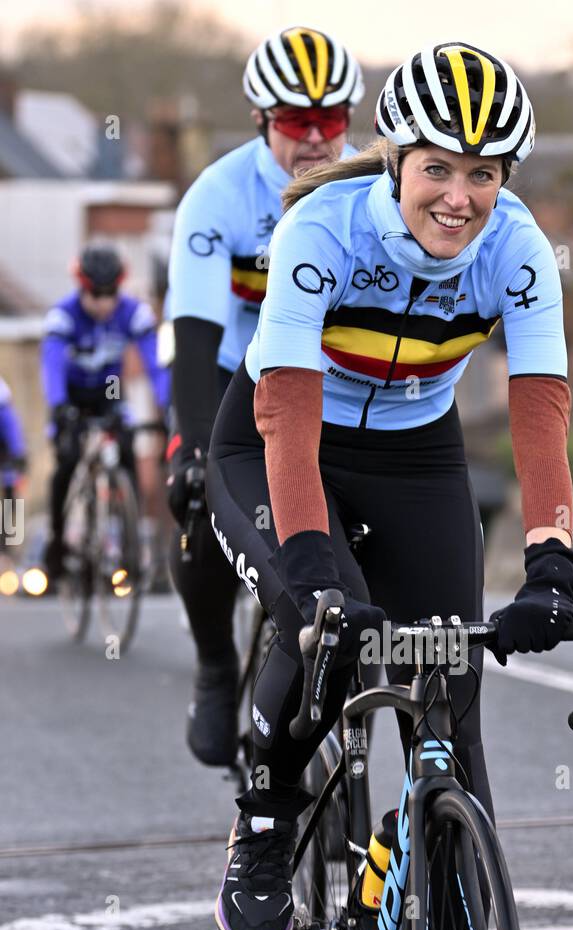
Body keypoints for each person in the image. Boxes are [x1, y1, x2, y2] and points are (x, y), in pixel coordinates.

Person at [206, 41, 573, 930]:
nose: (459, 196)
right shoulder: (323, 228)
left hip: (418, 454)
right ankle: (265, 817)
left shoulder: (518, 248)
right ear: (395, 157)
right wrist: (307, 563)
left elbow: (540, 413)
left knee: (453, 695)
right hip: (277, 444)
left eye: (483, 174)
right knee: (317, 620)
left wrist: (553, 563)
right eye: (438, 169)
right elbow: (285, 406)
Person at [166, 26, 364, 768]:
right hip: (229, 372)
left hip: (326, 376)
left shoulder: (372, 191)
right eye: (294, 122)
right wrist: (189, 445)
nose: (314, 138)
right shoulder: (216, 197)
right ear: (260, 122)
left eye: (330, 121)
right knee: (200, 507)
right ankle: (218, 666)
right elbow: (190, 330)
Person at [41, 244, 170, 581]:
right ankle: (57, 541)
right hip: (70, 396)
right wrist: (58, 407)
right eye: (94, 293)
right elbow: (52, 365)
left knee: (127, 450)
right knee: (67, 461)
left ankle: (130, 536)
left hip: (109, 390)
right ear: (81, 287)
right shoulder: (63, 315)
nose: (102, 302)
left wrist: (166, 405)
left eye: (110, 293)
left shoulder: (133, 313)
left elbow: (154, 363)